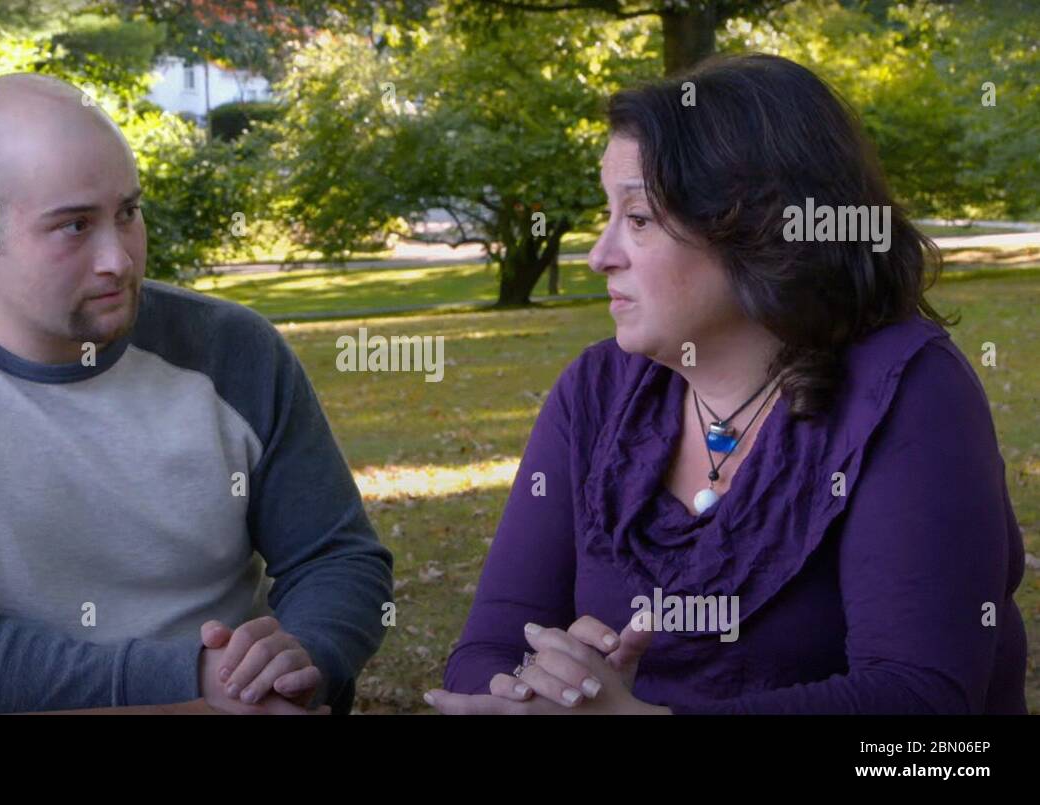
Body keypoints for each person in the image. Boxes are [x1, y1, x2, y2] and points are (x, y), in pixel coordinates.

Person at [428, 53, 1027, 715]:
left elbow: (921, 700)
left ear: (759, 229)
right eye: (607, 215)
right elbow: (489, 644)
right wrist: (530, 694)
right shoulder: (597, 394)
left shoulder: (908, 392)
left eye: (639, 219)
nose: (600, 255)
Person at [0, 73, 393, 715]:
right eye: (73, 226)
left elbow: (337, 557)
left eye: (128, 213)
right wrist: (195, 676)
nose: (118, 259)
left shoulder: (235, 350)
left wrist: (301, 659)